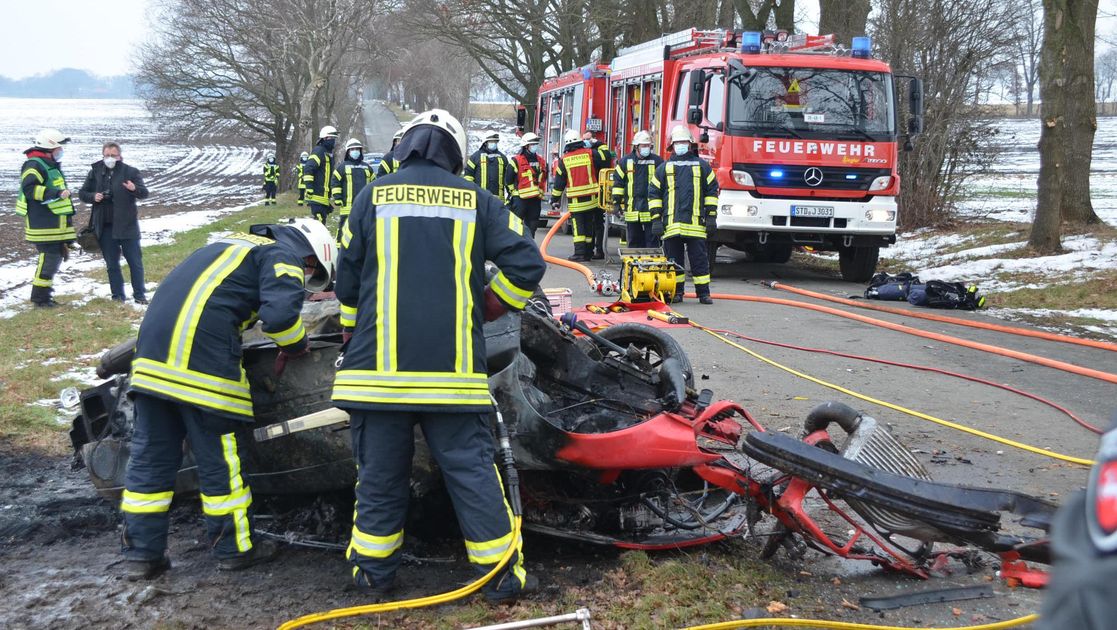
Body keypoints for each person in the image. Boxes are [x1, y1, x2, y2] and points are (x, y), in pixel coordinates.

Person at [333, 109, 546, 603]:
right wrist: (492, 305)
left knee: (380, 477)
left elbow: (346, 283)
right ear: (456, 153)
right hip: (452, 380)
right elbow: (527, 261)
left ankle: (372, 576)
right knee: (472, 473)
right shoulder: (477, 201)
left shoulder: (369, 198)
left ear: (404, 146)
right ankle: (499, 580)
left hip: (376, 381)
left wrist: (355, 328)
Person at [120, 218, 338, 580]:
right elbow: (281, 319)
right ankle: (235, 549)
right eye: (310, 271)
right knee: (221, 463)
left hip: (151, 364)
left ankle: (142, 556)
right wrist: (298, 346)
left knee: (150, 461)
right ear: (310, 255)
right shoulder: (282, 254)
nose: (306, 277)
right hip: (202, 367)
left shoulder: (224, 246)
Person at [648, 125, 719, 305]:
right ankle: (677, 292)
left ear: (689, 144)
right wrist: (656, 220)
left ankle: (703, 293)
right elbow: (654, 194)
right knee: (674, 262)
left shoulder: (703, 167)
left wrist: (711, 217)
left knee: (699, 260)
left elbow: (712, 192)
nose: (680, 145)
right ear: (673, 146)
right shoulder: (663, 169)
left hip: (696, 224)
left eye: (683, 142)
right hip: (671, 224)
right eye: (677, 142)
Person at [78, 141, 151, 304]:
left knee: (135, 262)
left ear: (120, 156)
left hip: (127, 226)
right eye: (107, 155)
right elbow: (82, 193)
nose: (110, 158)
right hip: (105, 227)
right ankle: (117, 296)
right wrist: (93, 197)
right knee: (112, 264)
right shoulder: (95, 171)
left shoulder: (131, 172)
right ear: (103, 156)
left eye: (113, 155)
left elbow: (144, 193)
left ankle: (139, 295)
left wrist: (134, 189)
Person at [16, 128, 75, 307]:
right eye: (59, 148)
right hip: (44, 226)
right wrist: (56, 193)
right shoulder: (34, 165)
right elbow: (29, 189)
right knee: (48, 261)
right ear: (49, 148)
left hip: (54, 226)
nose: (61, 151)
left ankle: (45, 297)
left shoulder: (48, 165)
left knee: (53, 260)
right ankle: (40, 300)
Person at [550, 129, 610, 262]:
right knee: (589, 225)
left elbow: (559, 183)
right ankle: (588, 252)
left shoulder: (564, 160)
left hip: (576, 201)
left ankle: (579, 253)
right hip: (593, 199)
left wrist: (554, 199)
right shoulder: (591, 154)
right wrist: (597, 143)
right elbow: (606, 157)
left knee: (578, 228)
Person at [612, 130, 663, 249]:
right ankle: (635, 267)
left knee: (652, 243)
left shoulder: (658, 161)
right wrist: (616, 203)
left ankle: (651, 267)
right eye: (644, 146)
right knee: (634, 242)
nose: (647, 148)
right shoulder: (625, 162)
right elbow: (618, 184)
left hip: (652, 210)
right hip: (632, 209)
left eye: (648, 146)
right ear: (636, 146)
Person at [331, 138, 373, 243]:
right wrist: (338, 197)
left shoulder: (367, 168)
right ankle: (339, 249)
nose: (355, 151)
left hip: (364, 207)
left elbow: (374, 184)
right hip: (347, 206)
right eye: (352, 149)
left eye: (357, 149)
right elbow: (335, 182)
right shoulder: (342, 167)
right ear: (348, 152)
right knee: (343, 230)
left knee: (363, 231)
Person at [582, 132, 615, 259]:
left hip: (599, 191)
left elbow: (606, 157)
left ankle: (599, 250)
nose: (586, 141)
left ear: (594, 139)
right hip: (589, 191)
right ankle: (589, 250)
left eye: (588, 139)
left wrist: (598, 144)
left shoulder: (599, 149)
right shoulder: (584, 152)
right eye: (584, 139)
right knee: (590, 223)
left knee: (597, 222)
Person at [509, 132, 546, 240]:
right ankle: (515, 248)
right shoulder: (516, 160)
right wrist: (514, 195)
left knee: (532, 227)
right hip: (520, 200)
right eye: (532, 144)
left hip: (535, 200)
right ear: (526, 146)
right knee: (516, 227)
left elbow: (543, 178)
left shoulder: (541, 161)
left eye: (536, 144)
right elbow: (508, 180)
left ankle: (529, 248)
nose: (535, 146)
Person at [463, 131, 515, 204]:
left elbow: (508, 179)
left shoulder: (503, 158)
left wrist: (510, 195)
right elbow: (468, 177)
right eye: (491, 141)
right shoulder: (475, 157)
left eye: (495, 142)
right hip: (479, 199)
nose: (494, 144)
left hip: (498, 201)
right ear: (485, 143)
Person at [303, 126, 339, 223]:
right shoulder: (319, 151)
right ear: (324, 138)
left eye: (334, 138)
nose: (333, 141)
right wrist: (309, 187)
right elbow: (308, 168)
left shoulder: (328, 153)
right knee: (319, 224)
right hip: (316, 195)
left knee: (321, 222)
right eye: (331, 138)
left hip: (323, 197)